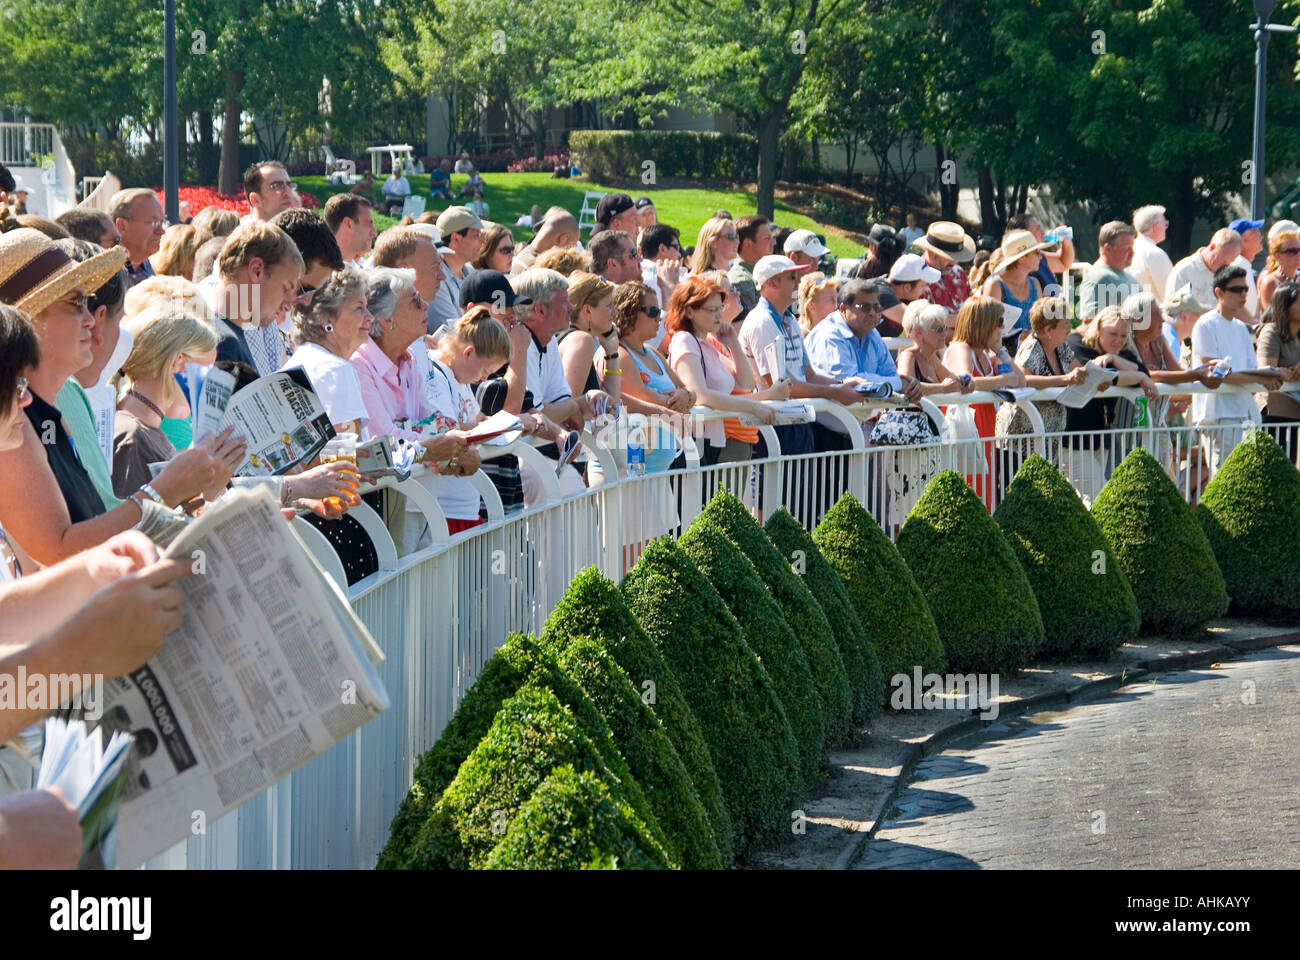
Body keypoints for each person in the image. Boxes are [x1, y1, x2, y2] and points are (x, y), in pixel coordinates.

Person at [0, 231, 241, 563]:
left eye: (87, 303)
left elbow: (94, 527)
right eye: (73, 303)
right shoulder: (14, 422)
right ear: (28, 319)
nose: (89, 320)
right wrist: (164, 492)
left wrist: (180, 501)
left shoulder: (53, 405)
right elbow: (60, 551)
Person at [740, 254, 866, 462]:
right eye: (792, 277)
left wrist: (844, 384)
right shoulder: (762, 322)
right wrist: (835, 393)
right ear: (771, 283)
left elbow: (808, 375)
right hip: (772, 427)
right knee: (775, 494)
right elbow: (779, 387)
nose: (799, 281)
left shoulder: (789, 319)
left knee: (799, 493)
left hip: (795, 422)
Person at [112, 289, 228, 500]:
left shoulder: (148, 431)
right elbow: (130, 527)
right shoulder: (132, 438)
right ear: (176, 363)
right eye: (204, 373)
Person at [667, 274, 783, 463]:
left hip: (709, 442)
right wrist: (754, 406)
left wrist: (733, 343)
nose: (719, 315)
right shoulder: (685, 340)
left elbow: (746, 383)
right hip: (696, 444)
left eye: (720, 308)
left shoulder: (706, 343)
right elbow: (700, 395)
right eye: (712, 310)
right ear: (689, 311)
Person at [1189, 265, 1284, 473]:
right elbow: (1217, 375)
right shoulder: (1205, 324)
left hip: (1245, 413)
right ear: (1219, 292)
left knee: (1247, 479)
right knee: (1222, 482)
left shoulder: (1242, 328)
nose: (1243, 295)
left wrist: (1264, 376)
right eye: (1236, 290)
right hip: (1217, 415)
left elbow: (1249, 373)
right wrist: (1260, 377)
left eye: (1245, 290)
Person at [1061, 306, 1161, 503]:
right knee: (1098, 496)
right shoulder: (1076, 342)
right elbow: (1094, 377)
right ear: (1098, 329)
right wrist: (1137, 376)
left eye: (1124, 335)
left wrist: (1113, 358)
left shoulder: (1120, 352)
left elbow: (1142, 371)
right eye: (1113, 334)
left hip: (1099, 436)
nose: (1119, 340)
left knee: (1090, 498)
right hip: (1072, 437)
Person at [942, 296, 1030, 509]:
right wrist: (1001, 380)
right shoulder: (961, 348)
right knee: (968, 493)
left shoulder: (986, 353)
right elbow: (965, 381)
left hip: (985, 427)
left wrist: (1002, 353)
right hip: (968, 426)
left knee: (985, 494)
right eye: (999, 322)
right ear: (984, 323)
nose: (1003, 328)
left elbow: (1021, 381)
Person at [613, 280, 695, 470]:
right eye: (653, 312)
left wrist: (686, 395)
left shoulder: (652, 352)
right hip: (632, 470)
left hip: (658, 470)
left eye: (659, 311)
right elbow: (640, 398)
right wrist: (680, 400)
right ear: (630, 311)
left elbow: (691, 392)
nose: (659, 318)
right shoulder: (619, 354)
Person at [207, 221, 305, 371]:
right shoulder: (223, 344)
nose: (288, 305)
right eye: (285, 288)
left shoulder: (231, 338)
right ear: (256, 271)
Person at [805, 278, 925, 400]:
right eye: (865, 307)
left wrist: (903, 384)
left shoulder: (871, 333)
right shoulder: (829, 336)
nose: (872, 313)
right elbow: (851, 384)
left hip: (855, 413)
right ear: (843, 309)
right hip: (825, 415)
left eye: (877, 307)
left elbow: (890, 374)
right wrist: (899, 383)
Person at [558, 272, 622, 405]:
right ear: (587, 311)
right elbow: (568, 408)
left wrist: (611, 352)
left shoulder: (576, 338)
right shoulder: (581, 341)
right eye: (608, 306)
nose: (615, 313)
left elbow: (610, 405)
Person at [981, 229, 1050, 348]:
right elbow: (989, 328)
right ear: (1022, 257)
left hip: (1032, 352)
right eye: (1037, 252)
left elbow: (1040, 323)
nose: (1040, 256)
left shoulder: (1035, 283)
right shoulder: (994, 285)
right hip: (1002, 357)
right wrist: (1021, 336)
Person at [1255, 281, 1300, 460]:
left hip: (1296, 412)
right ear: (1285, 307)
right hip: (1276, 412)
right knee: (1275, 467)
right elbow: (1266, 369)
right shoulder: (1271, 331)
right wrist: (1282, 372)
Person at [428, 206, 484, 330]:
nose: (483, 240)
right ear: (455, 239)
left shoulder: (470, 273)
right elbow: (455, 334)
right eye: (477, 234)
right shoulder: (436, 281)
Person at [1166, 227, 1243, 318]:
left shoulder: (1226, 275)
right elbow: (1170, 311)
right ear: (1212, 247)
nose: (1225, 266)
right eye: (1223, 261)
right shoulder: (1184, 271)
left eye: (1229, 263)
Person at [1077, 221, 1143, 319]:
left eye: (1132, 247)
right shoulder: (1098, 278)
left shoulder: (1129, 277)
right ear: (1108, 249)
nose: (1132, 252)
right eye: (1127, 248)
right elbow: (1090, 321)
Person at [913, 221, 975, 312]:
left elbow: (970, 304)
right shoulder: (914, 275)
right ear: (932, 253)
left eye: (957, 257)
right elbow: (920, 319)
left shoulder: (958, 272)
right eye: (949, 257)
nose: (954, 263)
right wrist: (962, 320)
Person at [110, 188, 166, 288]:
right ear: (122, 226)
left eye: (162, 222)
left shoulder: (145, 266)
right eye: (153, 223)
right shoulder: (103, 277)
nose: (161, 231)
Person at [1004, 213, 1075, 291]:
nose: (1043, 232)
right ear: (1025, 235)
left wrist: (1066, 241)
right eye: (1037, 229)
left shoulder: (1039, 257)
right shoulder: (1020, 267)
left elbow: (1063, 263)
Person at [511, 210, 578, 276]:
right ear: (563, 239)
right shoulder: (540, 272)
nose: (572, 252)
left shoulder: (521, 257)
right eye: (573, 246)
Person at [728, 215, 773, 313]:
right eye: (767, 238)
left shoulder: (759, 275)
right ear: (747, 244)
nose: (773, 243)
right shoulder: (742, 281)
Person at [1129, 205, 1173, 299]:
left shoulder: (1129, 249)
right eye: (1165, 223)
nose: (1166, 227)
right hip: (1151, 311)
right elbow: (1170, 293)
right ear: (1155, 227)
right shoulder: (1155, 254)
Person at [638, 223, 684, 312]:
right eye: (676, 247)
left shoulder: (636, 274)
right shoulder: (657, 280)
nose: (679, 254)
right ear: (662, 249)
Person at [323, 193, 377, 266]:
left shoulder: (364, 267)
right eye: (369, 224)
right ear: (349, 224)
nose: (374, 233)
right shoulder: (317, 271)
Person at [1256, 228, 1300, 314]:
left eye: (1299, 250)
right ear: (1277, 256)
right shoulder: (1270, 282)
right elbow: (1270, 317)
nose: (1298, 254)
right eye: (1291, 251)